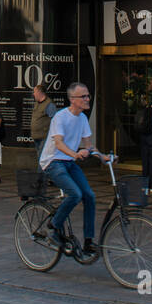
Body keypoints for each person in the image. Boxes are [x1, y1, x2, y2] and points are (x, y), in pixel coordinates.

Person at [39, 82, 102, 256]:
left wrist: (104, 156)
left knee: (89, 195)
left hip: (69, 162)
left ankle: (88, 242)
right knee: (75, 194)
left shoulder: (82, 118)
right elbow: (58, 142)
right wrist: (75, 154)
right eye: (84, 96)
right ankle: (52, 227)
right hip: (53, 162)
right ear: (73, 99)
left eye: (88, 95)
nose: (88, 99)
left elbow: (89, 146)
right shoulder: (60, 117)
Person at [29, 84, 56, 159]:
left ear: (40, 92)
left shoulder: (49, 104)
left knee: (43, 157)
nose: (33, 94)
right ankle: (43, 170)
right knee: (40, 156)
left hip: (45, 137)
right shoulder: (37, 103)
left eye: (34, 92)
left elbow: (54, 121)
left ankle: (41, 171)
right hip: (36, 136)